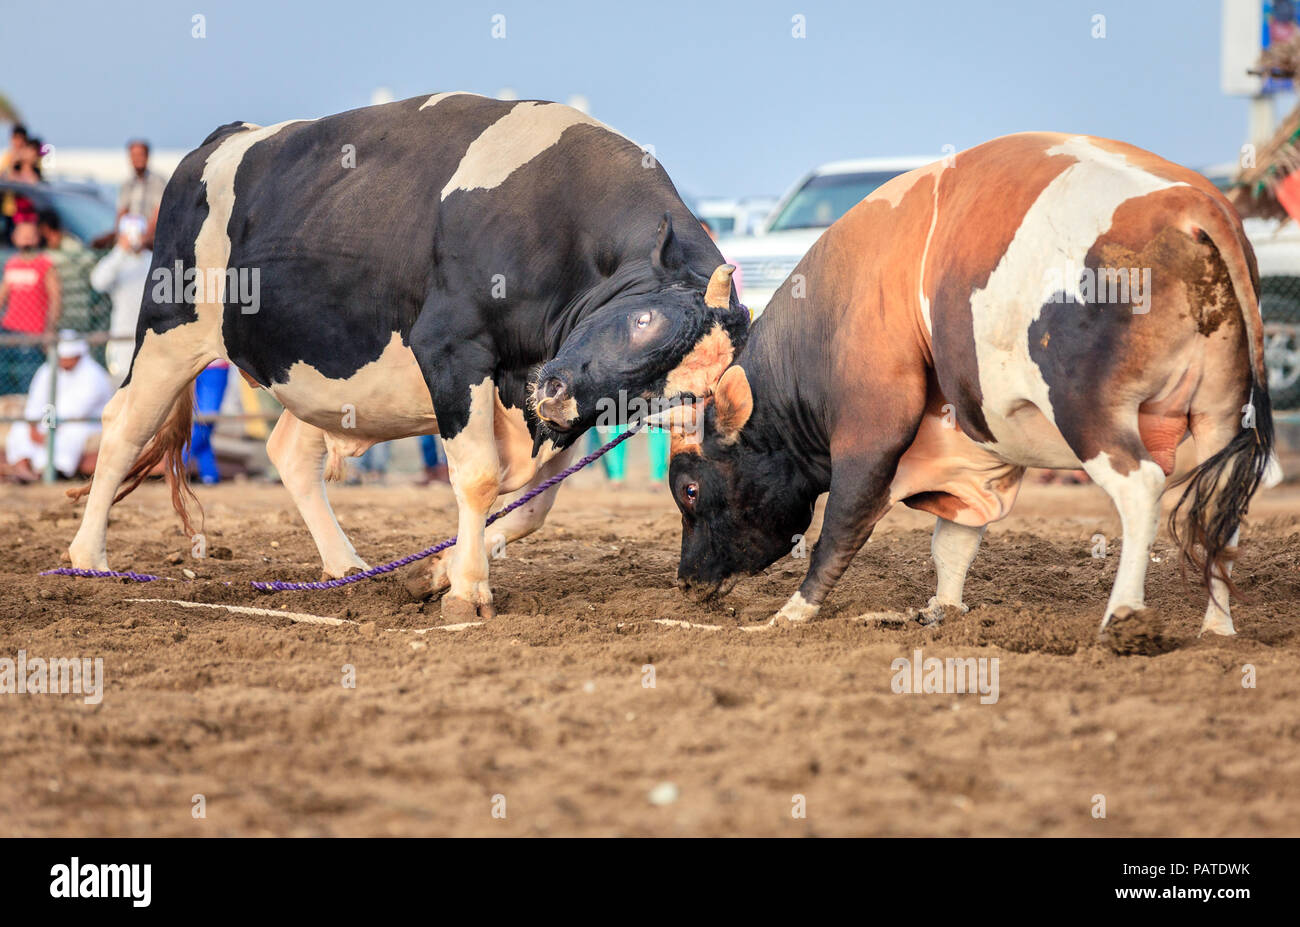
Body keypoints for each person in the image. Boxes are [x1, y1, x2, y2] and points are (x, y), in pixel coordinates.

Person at [3, 333, 114, 481]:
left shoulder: (93, 375)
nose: (63, 361)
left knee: (71, 433)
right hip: (49, 421)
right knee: (20, 428)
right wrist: (33, 427)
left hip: (85, 423)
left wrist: (46, 429)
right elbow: (36, 402)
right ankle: (22, 468)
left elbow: (73, 411)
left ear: (79, 354)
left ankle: (52, 472)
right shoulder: (47, 369)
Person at [0, 217, 61, 394]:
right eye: (22, 235)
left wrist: (50, 329)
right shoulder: (12, 264)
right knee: (6, 379)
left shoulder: (45, 264)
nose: (26, 239)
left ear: (37, 238)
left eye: (30, 235)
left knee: (28, 382)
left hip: (34, 333)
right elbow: (3, 295)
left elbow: (55, 298)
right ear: (15, 238)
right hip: (10, 330)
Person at [89, 215, 151, 380]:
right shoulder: (116, 261)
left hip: (152, 337)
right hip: (123, 337)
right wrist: (120, 250)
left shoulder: (154, 260)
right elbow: (98, 282)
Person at [39, 210, 97, 333]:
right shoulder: (47, 250)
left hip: (73, 313)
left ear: (44, 228)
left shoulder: (70, 246)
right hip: (55, 314)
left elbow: (90, 264)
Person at [112, 139, 166, 249]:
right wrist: (121, 236)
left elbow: (158, 212)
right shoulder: (127, 184)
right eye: (134, 155)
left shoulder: (157, 182)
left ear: (147, 156)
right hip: (129, 241)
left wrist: (145, 238)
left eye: (140, 155)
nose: (137, 159)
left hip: (151, 243)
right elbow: (122, 212)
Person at [185, 360, 230, 484]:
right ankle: (209, 474)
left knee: (206, 420)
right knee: (196, 420)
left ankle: (178, 462)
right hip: (191, 363)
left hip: (215, 366)